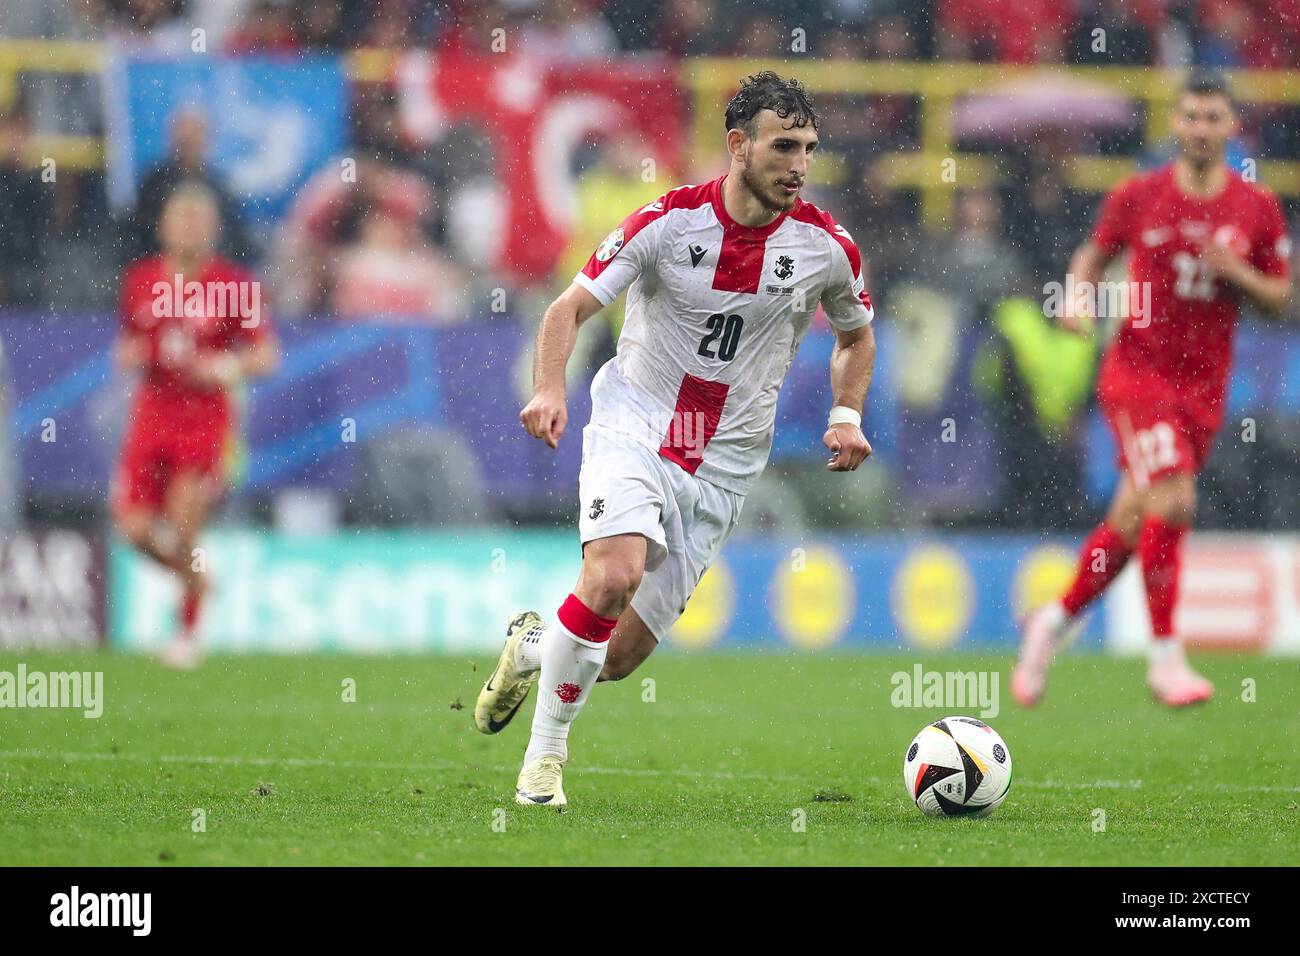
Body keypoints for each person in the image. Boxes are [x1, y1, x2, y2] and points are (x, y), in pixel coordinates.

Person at [473, 72, 877, 805]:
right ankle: (543, 765)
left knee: (619, 656)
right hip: (639, 424)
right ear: (737, 145)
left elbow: (856, 335)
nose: (800, 163)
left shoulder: (825, 247)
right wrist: (548, 388)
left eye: (809, 148)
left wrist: (847, 413)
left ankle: (534, 646)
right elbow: (567, 308)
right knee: (611, 576)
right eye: (784, 145)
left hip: (724, 464)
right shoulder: (666, 222)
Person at [1012, 72, 1292, 708]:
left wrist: (1238, 273)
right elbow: (1092, 254)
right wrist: (1078, 299)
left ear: (1230, 126)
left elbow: (1280, 299)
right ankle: (1166, 658)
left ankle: (1051, 624)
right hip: (1138, 375)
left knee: (1134, 520)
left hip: (1204, 389)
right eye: (1189, 116)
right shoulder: (1139, 195)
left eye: (1211, 117)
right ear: (1175, 123)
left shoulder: (1257, 209)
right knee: (1177, 499)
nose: (1198, 128)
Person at [112, 182, 278, 669]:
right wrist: (137, 354)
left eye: (198, 218)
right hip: (151, 415)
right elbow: (126, 347)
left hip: (204, 420)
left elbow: (266, 355)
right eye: (180, 216)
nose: (188, 226)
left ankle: (186, 631)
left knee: (185, 527)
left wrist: (224, 367)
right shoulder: (140, 281)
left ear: (213, 228)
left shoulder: (236, 284)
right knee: (134, 529)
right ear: (162, 225)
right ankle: (197, 582)